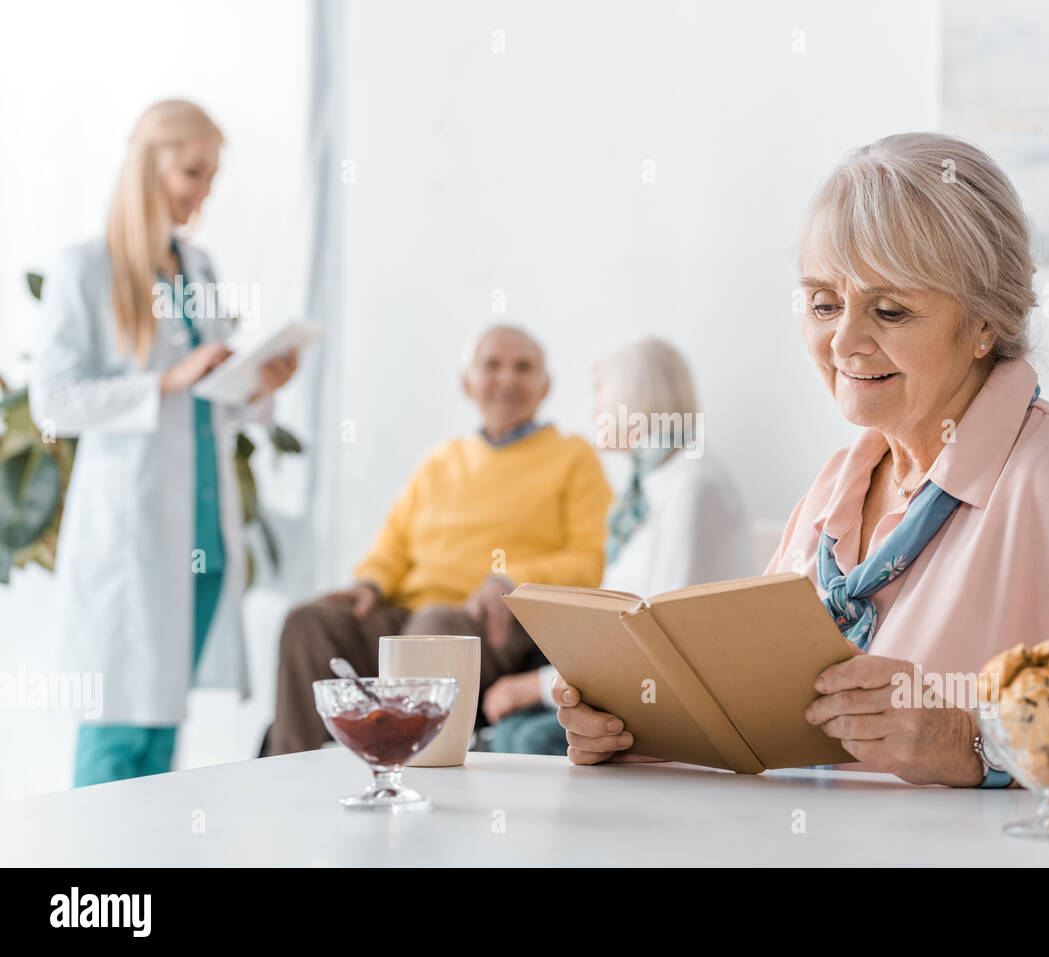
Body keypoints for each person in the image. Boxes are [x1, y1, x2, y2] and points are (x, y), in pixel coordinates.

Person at [549, 132, 1049, 791]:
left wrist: (978, 739)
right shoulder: (836, 485)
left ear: (985, 321)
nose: (844, 342)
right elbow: (757, 723)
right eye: (824, 304)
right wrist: (640, 729)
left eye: (889, 312)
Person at [30, 99, 299, 787]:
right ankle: (92, 869)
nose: (203, 192)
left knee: (163, 726)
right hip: (131, 533)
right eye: (193, 172)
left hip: (201, 532)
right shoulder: (85, 269)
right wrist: (165, 382)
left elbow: (209, 403)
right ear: (149, 165)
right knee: (119, 721)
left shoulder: (199, 267)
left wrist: (259, 383)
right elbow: (53, 399)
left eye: (210, 176)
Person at [265, 324, 612, 755]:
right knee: (308, 622)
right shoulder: (439, 461)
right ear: (467, 383)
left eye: (523, 368)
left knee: (434, 630)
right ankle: (287, 772)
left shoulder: (573, 457)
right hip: (407, 616)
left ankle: (403, 776)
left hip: (496, 623)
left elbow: (590, 560)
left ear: (545, 386)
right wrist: (370, 584)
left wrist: (507, 579)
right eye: (492, 366)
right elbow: (393, 544)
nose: (507, 379)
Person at [481, 337, 754, 754]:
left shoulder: (691, 487)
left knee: (523, 738)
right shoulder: (647, 487)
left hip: (679, 702)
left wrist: (536, 686)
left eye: (599, 389)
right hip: (637, 686)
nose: (594, 407)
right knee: (511, 733)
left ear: (633, 396)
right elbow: (614, 624)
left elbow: (659, 631)